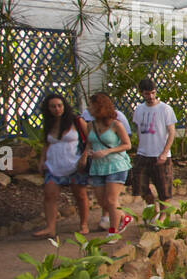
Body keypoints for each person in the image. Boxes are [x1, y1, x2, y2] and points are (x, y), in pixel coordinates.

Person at [33, 93, 93, 238]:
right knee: (49, 194)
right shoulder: (49, 123)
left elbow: (90, 141)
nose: (57, 109)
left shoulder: (76, 121)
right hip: (54, 165)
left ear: (64, 106)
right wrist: (42, 160)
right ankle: (50, 227)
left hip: (74, 164)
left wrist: (84, 157)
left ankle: (84, 224)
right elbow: (46, 143)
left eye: (59, 105)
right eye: (53, 106)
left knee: (80, 195)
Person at [131, 78, 177, 227]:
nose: (150, 96)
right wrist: (139, 149)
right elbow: (138, 131)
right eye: (147, 93)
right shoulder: (139, 110)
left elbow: (171, 132)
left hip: (161, 155)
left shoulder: (165, 109)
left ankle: (162, 219)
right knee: (141, 187)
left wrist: (164, 153)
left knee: (164, 190)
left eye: (152, 93)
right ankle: (154, 212)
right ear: (141, 93)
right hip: (143, 154)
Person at [85, 93, 133, 235]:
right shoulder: (90, 125)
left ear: (99, 107)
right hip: (98, 166)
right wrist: (87, 154)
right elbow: (89, 143)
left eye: (91, 105)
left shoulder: (116, 124)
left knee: (111, 200)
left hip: (115, 165)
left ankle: (113, 232)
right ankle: (125, 217)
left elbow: (127, 145)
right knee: (103, 202)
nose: (89, 108)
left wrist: (107, 151)